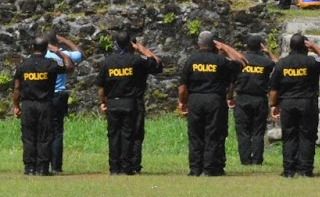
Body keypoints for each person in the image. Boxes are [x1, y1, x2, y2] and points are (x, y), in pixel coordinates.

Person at [177, 31, 245, 176]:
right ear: (214, 44)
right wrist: (225, 48)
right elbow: (242, 62)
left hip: (195, 99)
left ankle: (195, 169)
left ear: (198, 44)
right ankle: (211, 168)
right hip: (215, 100)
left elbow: (182, 87)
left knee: (195, 134)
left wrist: (182, 102)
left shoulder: (191, 60)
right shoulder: (220, 60)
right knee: (214, 134)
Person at [270, 33, 320, 177]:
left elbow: (274, 89)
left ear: (290, 46)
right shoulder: (311, 62)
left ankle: (289, 170)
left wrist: (274, 105)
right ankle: (305, 170)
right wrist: (315, 47)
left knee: (289, 136)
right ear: (305, 46)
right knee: (307, 135)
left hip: (287, 103)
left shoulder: (281, 63)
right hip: (307, 103)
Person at [97, 31, 163, 175]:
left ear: (116, 44)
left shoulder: (107, 62)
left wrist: (103, 102)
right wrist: (140, 48)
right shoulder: (137, 61)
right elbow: (157, 63)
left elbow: (101, 87)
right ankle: (127, 167)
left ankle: (114, 168)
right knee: (128, 135)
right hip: (131, 103)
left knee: (114, 136)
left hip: (113, 102)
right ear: (130, 44)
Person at [13, 36, 66, 176]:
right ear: (46, 49)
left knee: (28, 136)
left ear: (32, 48)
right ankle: (42, 168)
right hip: (45, 105)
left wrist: (16, 106)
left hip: (28, 105)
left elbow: (17, 88)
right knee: (44, 136)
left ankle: (29, 167)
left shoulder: (23, 65)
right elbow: (69, 67)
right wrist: (59, 53)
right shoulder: (51, 64)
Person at [231, 33, 276, 166]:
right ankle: (257, 160)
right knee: (258, 131)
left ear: (247, 46)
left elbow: (232, 82)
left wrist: (229, 97)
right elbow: (279, 64)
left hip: (242, 99)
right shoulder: (266, 62)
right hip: (259, 99)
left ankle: (245, 159)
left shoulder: (241, 61)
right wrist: (268, 53)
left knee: (243, 130)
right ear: (260, 47)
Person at [45, 34, 84, 174]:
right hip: (58, 95)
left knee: (44, 130)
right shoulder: (63, 55)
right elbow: (80, 54)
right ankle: (56, 166)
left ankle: (42, 163)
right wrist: (65, 42)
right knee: (57, 131)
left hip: (43, 95)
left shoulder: (39, 56)